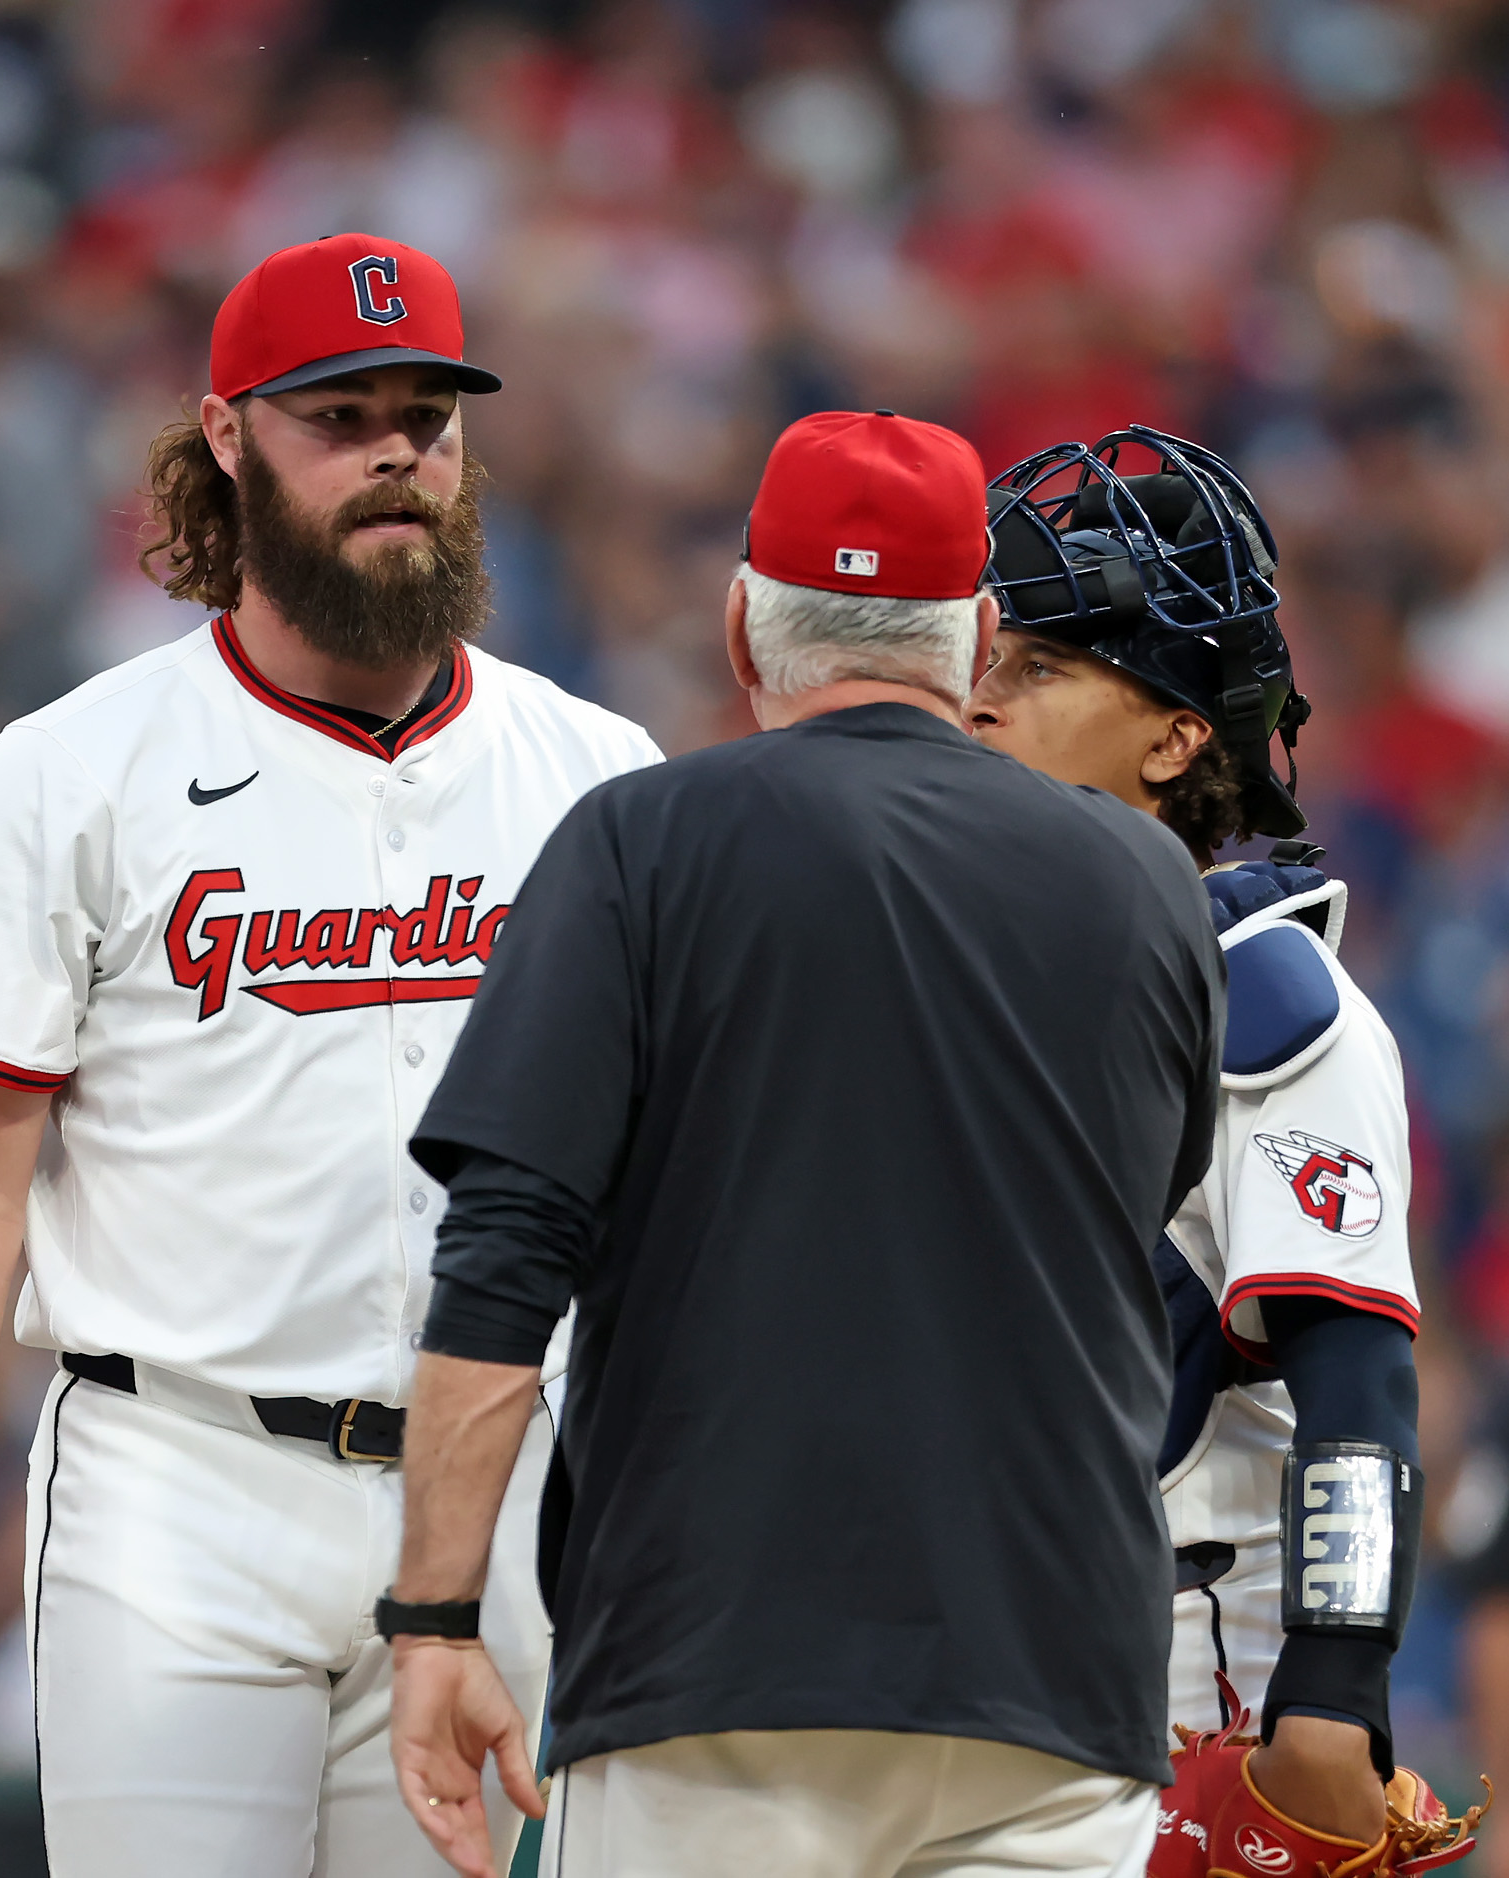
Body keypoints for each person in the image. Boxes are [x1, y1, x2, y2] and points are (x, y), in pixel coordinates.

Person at [0, 232, 663, 1877]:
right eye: (339, 416)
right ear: (227, 437)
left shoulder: (598, 774)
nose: (394, 455)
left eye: (426, 416)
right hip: (179, 1482)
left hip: (494, 1485)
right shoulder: (71, 771)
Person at [383, 411, 1225, 1878]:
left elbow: (503, 1259)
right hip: (1058, 1672)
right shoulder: (1147, 878)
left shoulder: (635, 842)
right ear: (972, 637)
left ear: (739, 624)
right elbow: (1145, 1203)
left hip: (717, 1664)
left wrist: (438, 1618)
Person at [972, 428, 1459, 1864]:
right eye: (992, 653)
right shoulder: (958, 962)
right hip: (968, 1667)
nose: (986, 694)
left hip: (1184, 1689)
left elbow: (1358, 1384)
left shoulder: (1270, 1005)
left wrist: (1333, 1691)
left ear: (1177, 734)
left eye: (1045, 669)